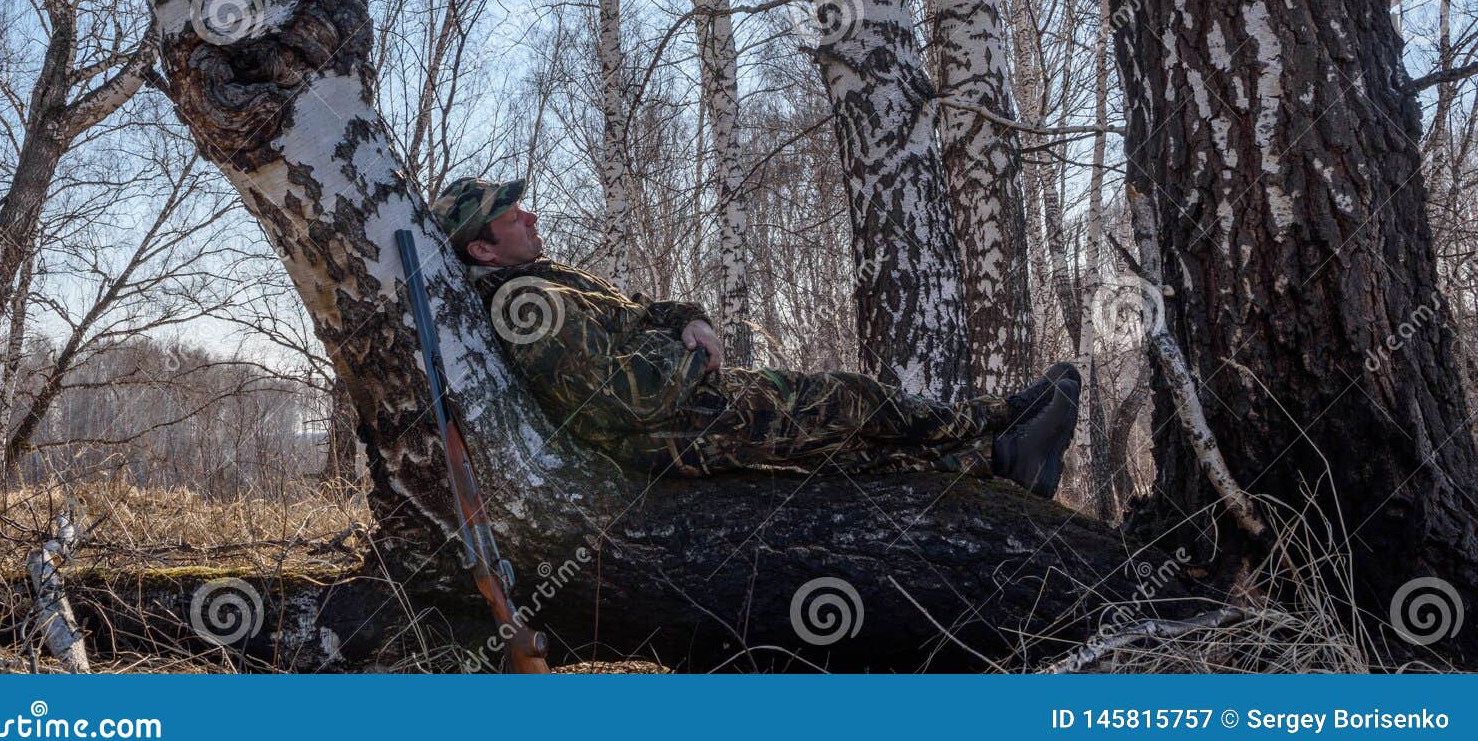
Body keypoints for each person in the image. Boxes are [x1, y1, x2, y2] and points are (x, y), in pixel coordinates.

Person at [431, 176, 1080, 496]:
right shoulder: (522, 302)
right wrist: (689, 361)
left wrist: (688, 319)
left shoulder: (544, 278)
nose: (531, 215)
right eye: (512, 216)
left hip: (684, 408)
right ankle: (998, 417)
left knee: (842, 456)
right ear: (484, 250)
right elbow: (612, 400)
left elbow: (640, 310)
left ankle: (999, 461)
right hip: (666, 429)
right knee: (847, 401)